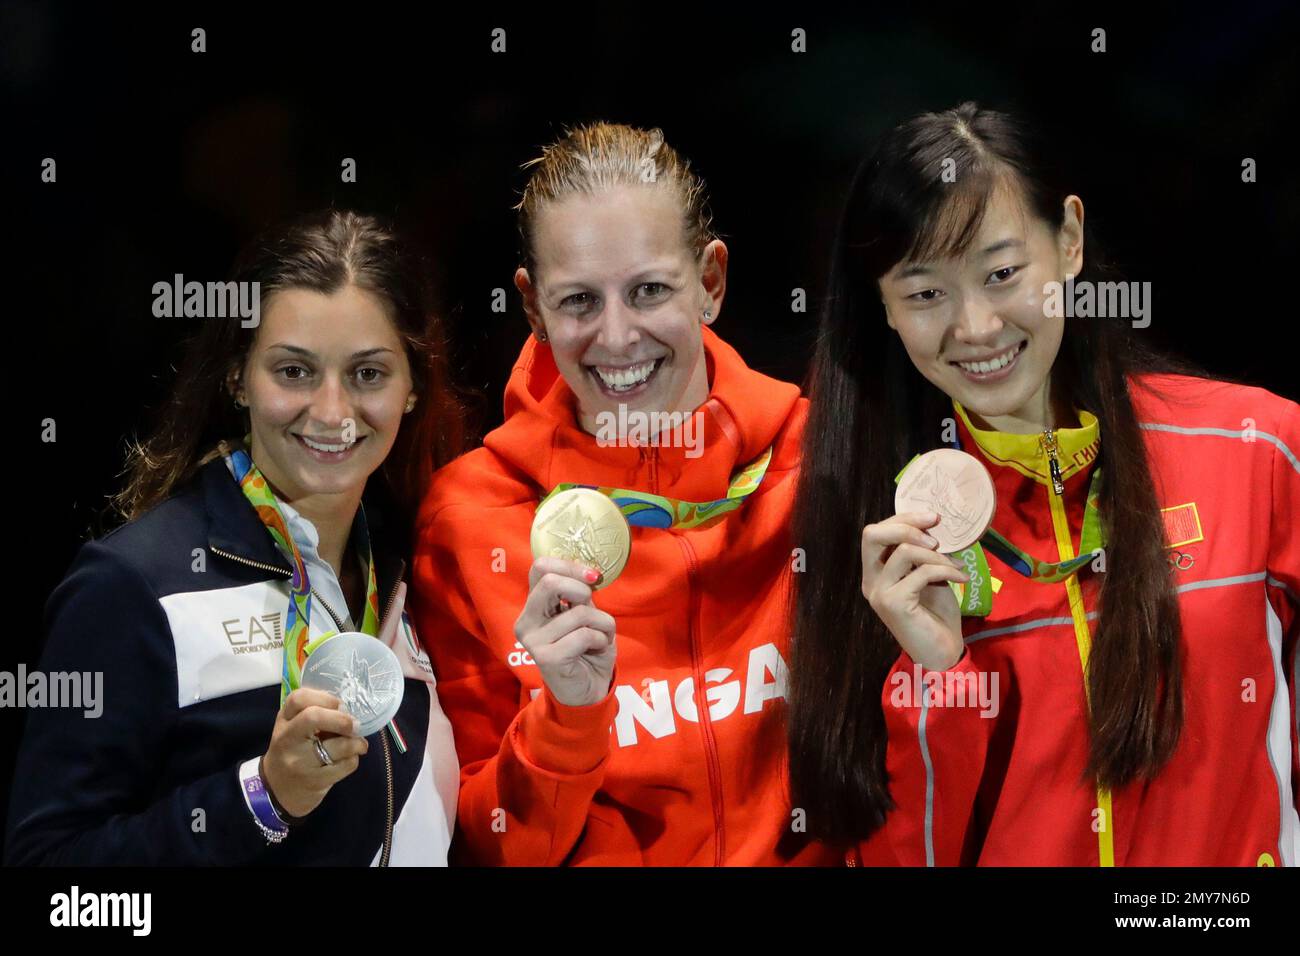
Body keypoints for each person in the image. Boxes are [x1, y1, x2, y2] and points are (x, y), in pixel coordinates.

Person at [787, 102, 1300, 867]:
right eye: (926, 293)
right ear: (884, 307)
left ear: (1069, 241)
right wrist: (935, 675)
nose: (978, 328)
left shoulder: (1256, 448)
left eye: (1001, 274)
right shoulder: (876, 530)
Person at [412, 122, 838, 865]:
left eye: (648, 290)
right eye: (578, 301)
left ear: (711, 281)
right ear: (533, 307)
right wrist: (566, 720)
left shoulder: (821, 462)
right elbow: (486, 844)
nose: (616, 338)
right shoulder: (469, 519)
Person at [6, 210, 464, 865]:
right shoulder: (136, 586)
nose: (333, 412)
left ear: (413, 388)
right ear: (236, 376)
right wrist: (263, 797)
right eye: (294, 372)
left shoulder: (419, 565)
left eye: (368, 374)